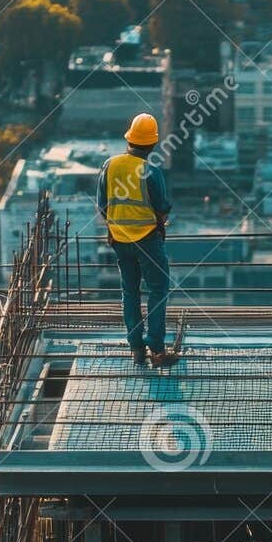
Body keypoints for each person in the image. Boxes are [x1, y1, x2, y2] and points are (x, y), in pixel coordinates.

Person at [98, 113, 178, 368]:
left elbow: (103, 206)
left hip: (120, 240)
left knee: (130, 291)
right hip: (147, 240)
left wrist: (113, 226)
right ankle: (156, 348)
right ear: (153, 144)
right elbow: (163, 207)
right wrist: (158, 222)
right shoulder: (150, 171)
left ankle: (136, 349)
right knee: (157, 290)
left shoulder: (110, 165)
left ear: (129, 139)